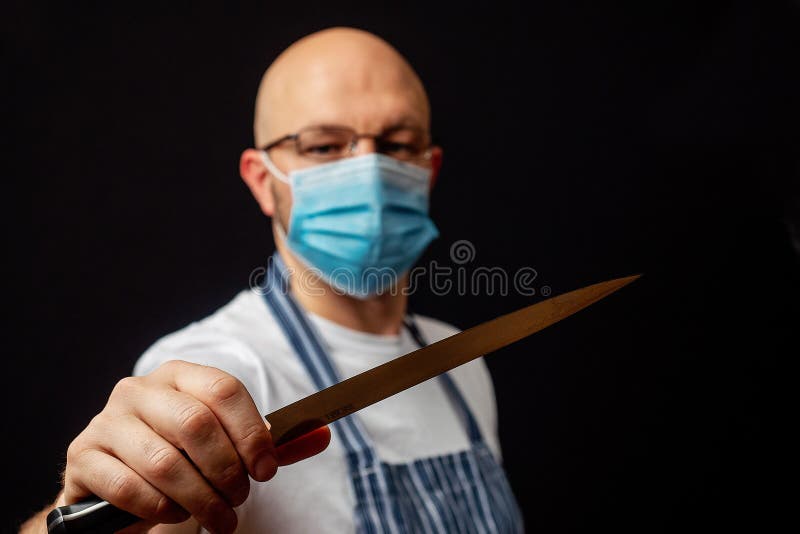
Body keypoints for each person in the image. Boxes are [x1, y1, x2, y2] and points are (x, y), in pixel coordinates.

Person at [21, 27, 524, 533]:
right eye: (324, 146)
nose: (370, 170)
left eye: (397, 144)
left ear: (428, 171)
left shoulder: (461, 361)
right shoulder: (215, 378)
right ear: (263, 180)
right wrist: (100, 500)